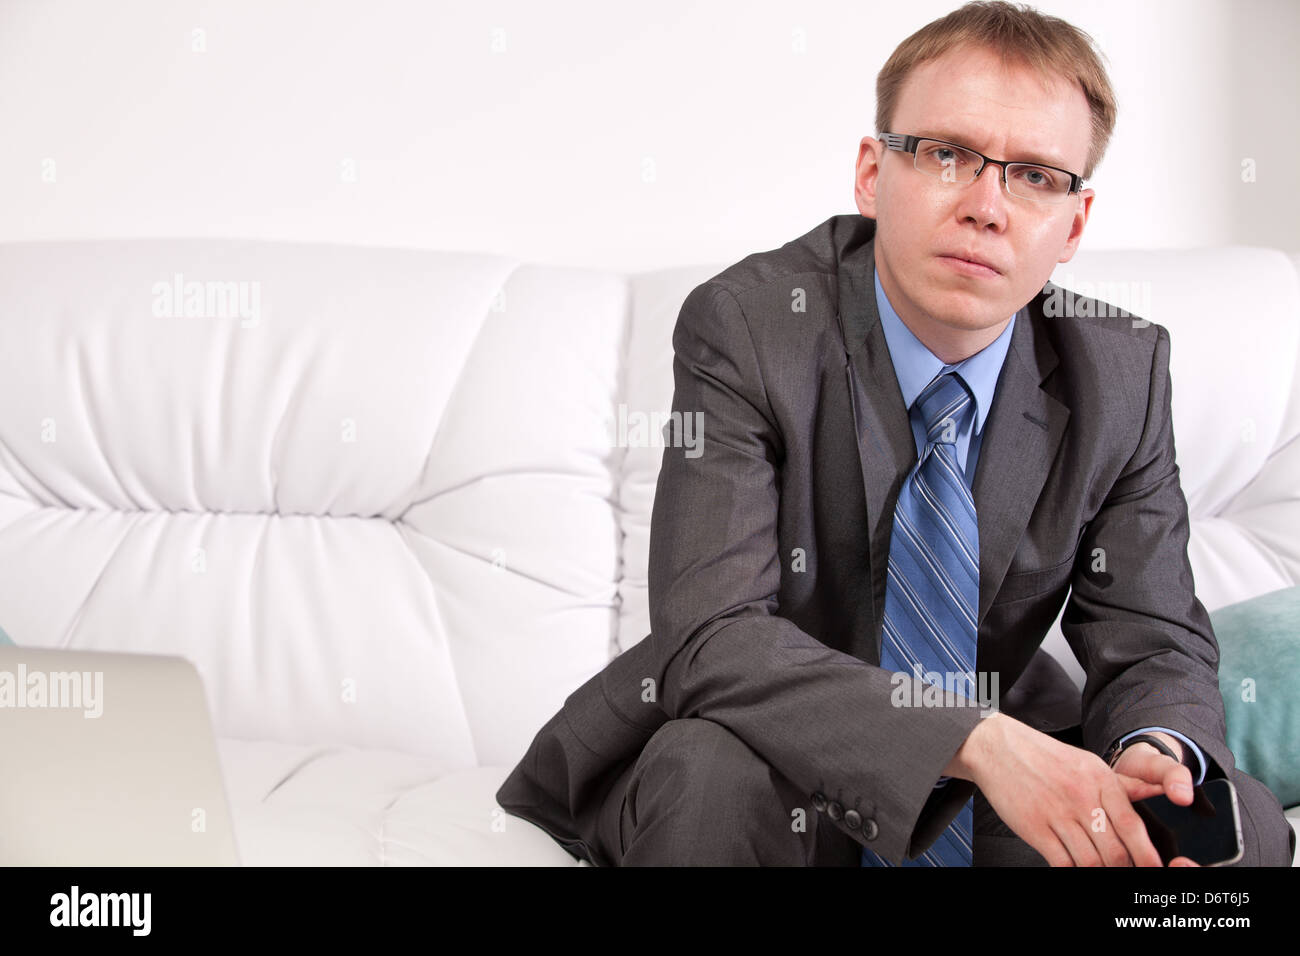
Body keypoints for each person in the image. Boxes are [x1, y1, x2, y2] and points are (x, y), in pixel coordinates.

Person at [495, 0, 1297, 866]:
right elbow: (713, 633)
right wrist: (974, 740)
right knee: (710, 777)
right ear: (872, 174)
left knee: (1235, 825)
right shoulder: (750, 328)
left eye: (1034, 176)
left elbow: (1152, 640)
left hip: (975, 784)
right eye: (948, 155)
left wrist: (1154, 749)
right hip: (758, 753)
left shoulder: (1122, 374)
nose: (987, 207)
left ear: (1073, 224)